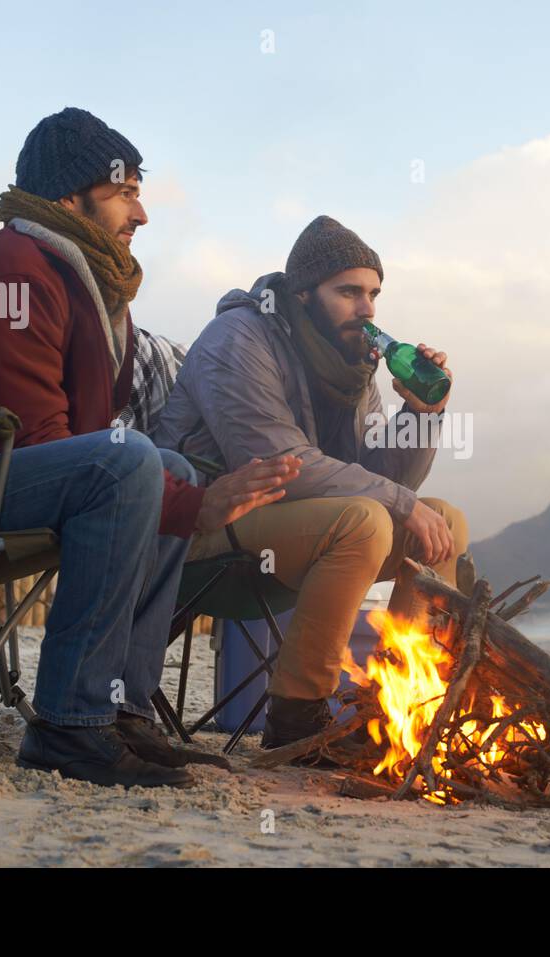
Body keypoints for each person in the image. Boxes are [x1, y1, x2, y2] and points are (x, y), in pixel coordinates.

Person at [0, 107, 299, 787]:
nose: (142, 214)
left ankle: (123, 711)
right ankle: (70, 726)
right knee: (135, 461)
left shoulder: (76, 283)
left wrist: (186, 494)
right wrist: (194, 505)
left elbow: (79, 440)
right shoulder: (4, 271)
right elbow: (51, 440)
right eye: (127, 192)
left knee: (158, 463)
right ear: (71, 194)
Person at [154, 215, 468, 750]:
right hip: (202, 525)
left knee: (444, 519)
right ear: (302, 294)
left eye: (373, 293)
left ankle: (404, 709)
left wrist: (421, 415)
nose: (366, 309)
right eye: (348, 292)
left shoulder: (354, 364)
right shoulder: (239, 338)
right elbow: (281, 464)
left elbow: (381, 477)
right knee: (365, 521)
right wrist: (396, 501)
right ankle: (297, 720)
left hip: (295, 532)